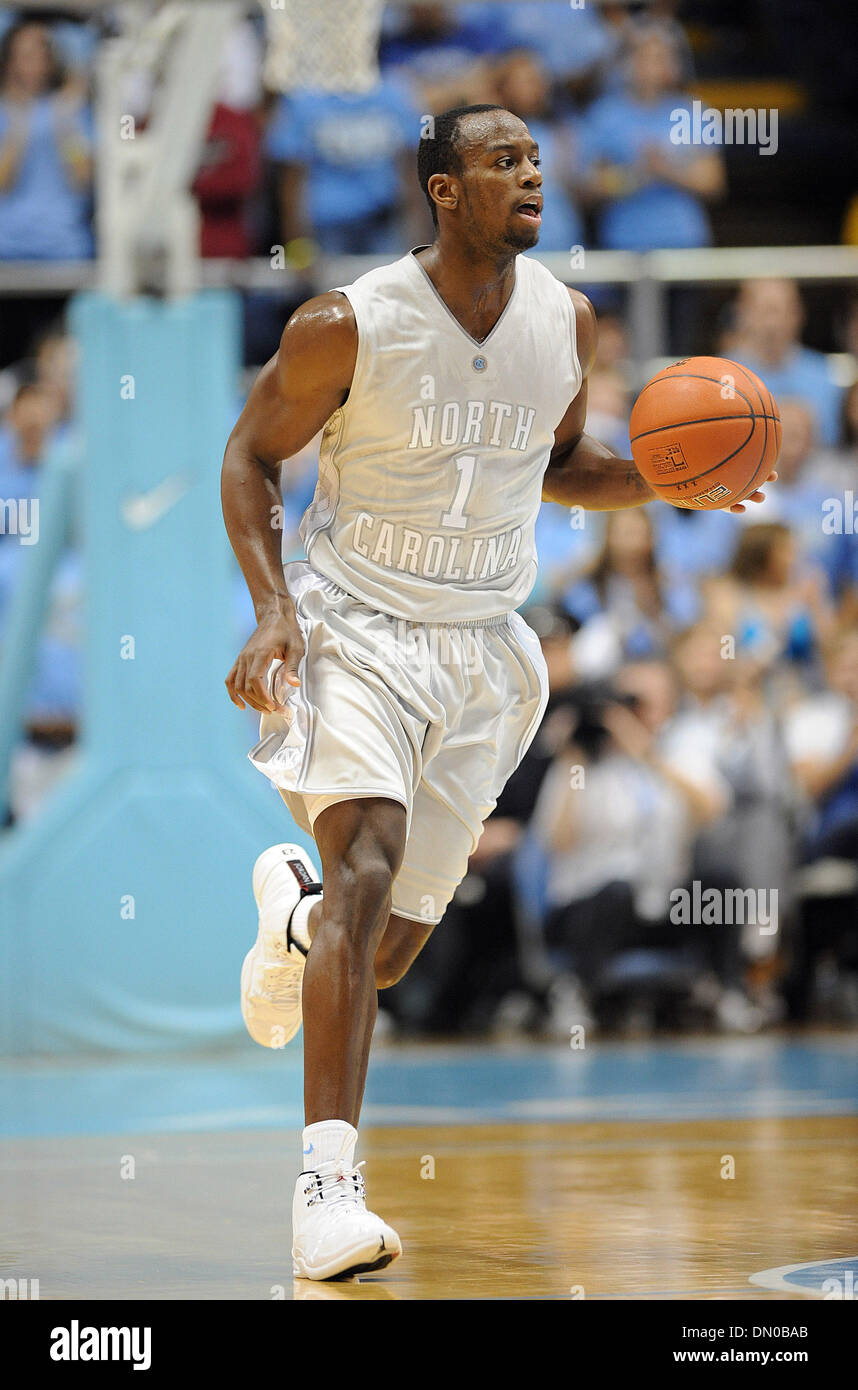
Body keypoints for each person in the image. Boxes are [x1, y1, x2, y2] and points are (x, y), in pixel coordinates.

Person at [221, 103, 774, 1282]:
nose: (530, 173)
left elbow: (561, 464)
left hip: (483, 645)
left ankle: (295, 919)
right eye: (501, 160)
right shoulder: (347, 323)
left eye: (535, 158)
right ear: (443, 191)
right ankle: (327, 1193)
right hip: (356, 625)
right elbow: (251, 454)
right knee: (367, 860)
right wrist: (274, 607)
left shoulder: (566, 320)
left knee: (383, 948)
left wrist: (666, 479)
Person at [729, 278, 843, 448]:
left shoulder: (823, 374)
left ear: (798, 315)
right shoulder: (720, 375)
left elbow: (832, 446)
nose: (773, 323)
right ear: (742, 313)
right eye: (765, 311)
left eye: (782, 311)